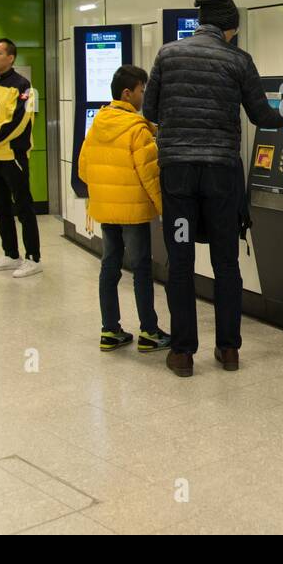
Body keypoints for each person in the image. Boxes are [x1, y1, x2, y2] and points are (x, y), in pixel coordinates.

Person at [143, 0, 283, 377]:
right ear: (231, 27)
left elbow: (150, 110)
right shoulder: (238, 59)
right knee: (225, 261)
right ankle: (229, 350)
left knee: (179, 261)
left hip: (177, 175)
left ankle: (182, 354)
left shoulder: (167, 54)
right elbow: (261, 114)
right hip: (220, 176)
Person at [78, 65, 171, 353]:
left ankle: (110, 330)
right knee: (141, 269)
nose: (144, 96)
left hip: (106, 211)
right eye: (142, 91)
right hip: (133, 212)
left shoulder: (98, 123)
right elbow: (150, 175)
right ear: (127, 93)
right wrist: (164, 209)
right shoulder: (136, 130)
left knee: (110, 266)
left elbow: (83, 169)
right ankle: (149, 332)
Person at [0, 38, 41, 278]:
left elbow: (18, 122)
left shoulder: (23, 87)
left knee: (23, 208)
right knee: (1, 208)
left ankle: (34, 258)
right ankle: (11, 254)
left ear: (11, 57)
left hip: (13, 157)